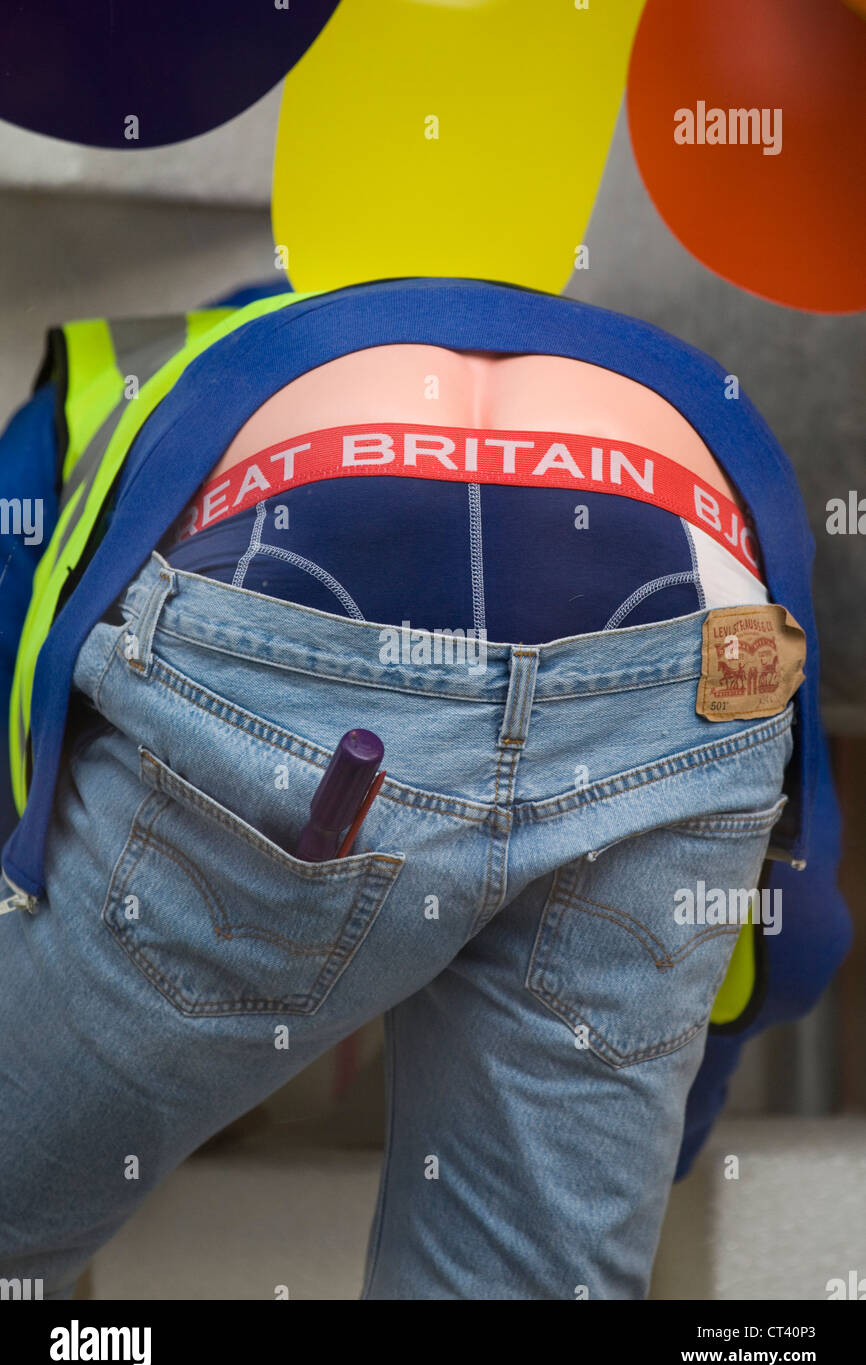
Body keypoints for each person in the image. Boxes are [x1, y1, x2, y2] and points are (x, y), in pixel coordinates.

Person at [0, 276, 850, 1300]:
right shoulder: (657, 373)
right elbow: (794, 935)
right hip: (680, 607)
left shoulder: (126, 363)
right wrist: (636, 1127)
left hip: (299, 574)